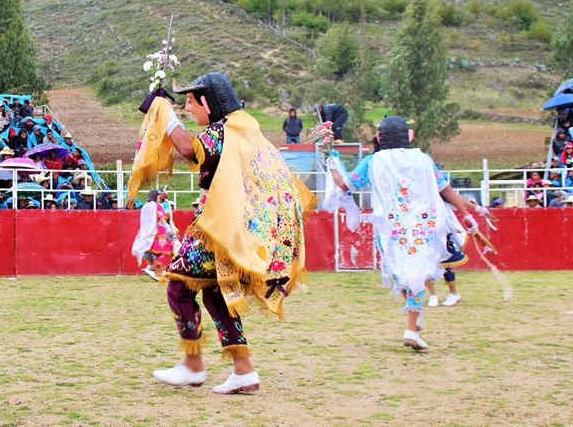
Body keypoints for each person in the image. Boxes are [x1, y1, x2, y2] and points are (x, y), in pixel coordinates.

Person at [141, 73, 309, 394]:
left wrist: (166, 112)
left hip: (217, 226)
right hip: (235, 224)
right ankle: (243, 371)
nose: (189, 107)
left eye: (190, 101)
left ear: (206, 102)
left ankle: (192, 365)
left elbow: (188, 149)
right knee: (216, 292)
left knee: (178, 286)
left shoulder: (224, 130)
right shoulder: (243, 128)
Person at [330, 116, 485, 351]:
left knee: (404, 274)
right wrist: (468, 215)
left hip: (392, 230)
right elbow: (447, 191)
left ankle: (414, 321)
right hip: (424, 228)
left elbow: (345, 185)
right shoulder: (423, 160)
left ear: (380, 137)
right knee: (416, 276)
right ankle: (412, 328)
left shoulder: (373, 162)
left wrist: (332, 164)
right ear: (408, 137)